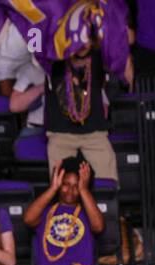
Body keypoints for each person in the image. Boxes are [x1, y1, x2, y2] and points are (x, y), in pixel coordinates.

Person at [43, 31, 121, 183]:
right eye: (77, 38)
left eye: (86, 39)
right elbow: (35, 44)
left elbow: (119, 44)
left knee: (109, 183)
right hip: (60, 134)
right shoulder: (52, 59)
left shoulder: (100, 58)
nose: (82, 44)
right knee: (60, 185)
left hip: (95, 133)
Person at [26, 157, 105, 265]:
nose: (70, 190)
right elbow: (28, 219)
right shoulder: (46, 212)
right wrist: (52, 188)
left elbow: (98, 227)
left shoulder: (88, 213)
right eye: (65, 184)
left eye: (76, 186)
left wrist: (84, 190)